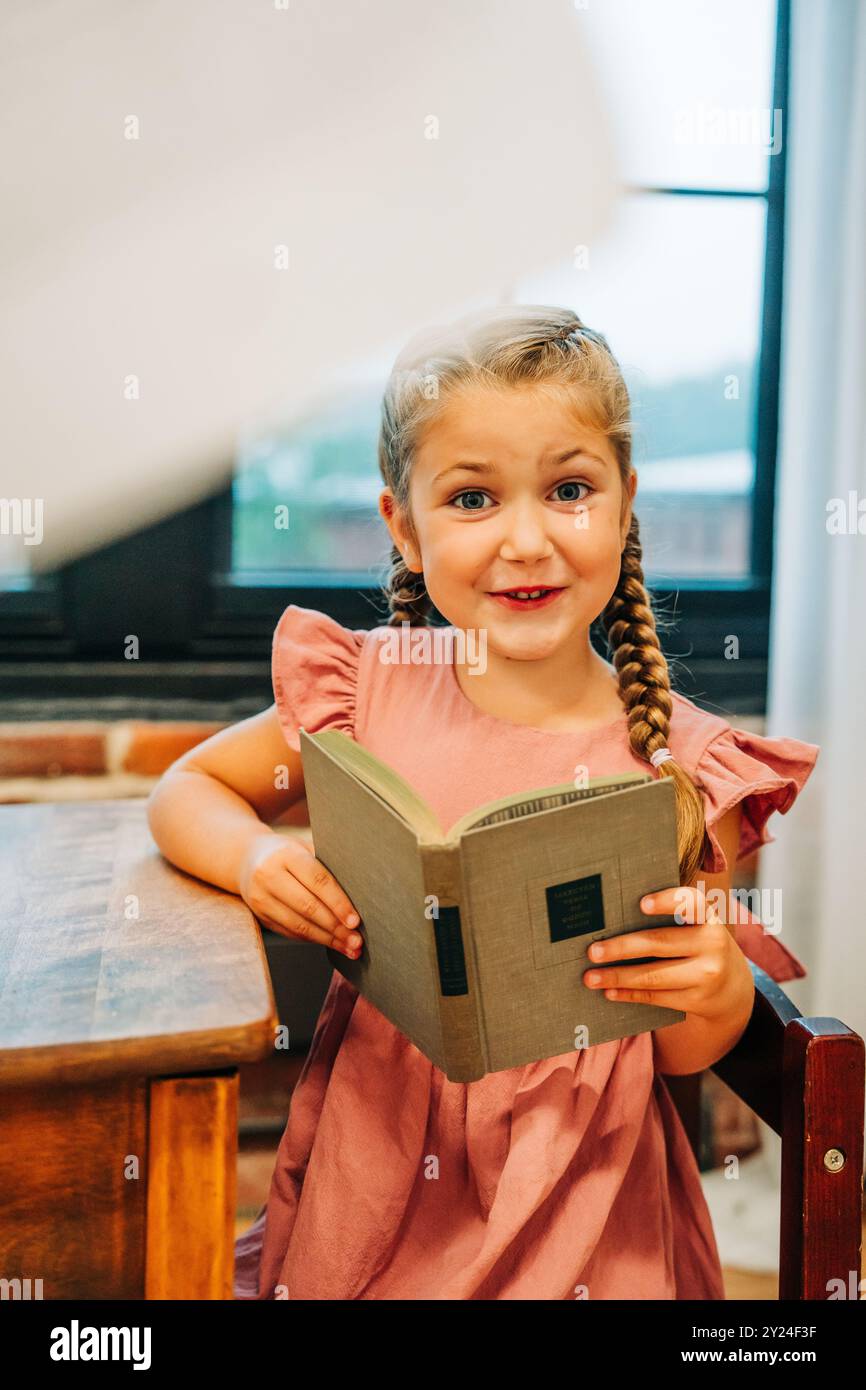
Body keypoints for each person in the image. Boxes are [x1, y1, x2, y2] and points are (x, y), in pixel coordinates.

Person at [147, 305, 819, 1299]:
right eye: (471, 497)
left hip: (580, 1207)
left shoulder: (679, 760)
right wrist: (255, 858)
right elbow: (187, 788)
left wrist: (713, 986)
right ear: (403, 527)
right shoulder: (367, 685)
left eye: (568, 489)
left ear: (623, 504)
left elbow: (681, 1045)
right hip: (373, 1164)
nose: (525, 539)